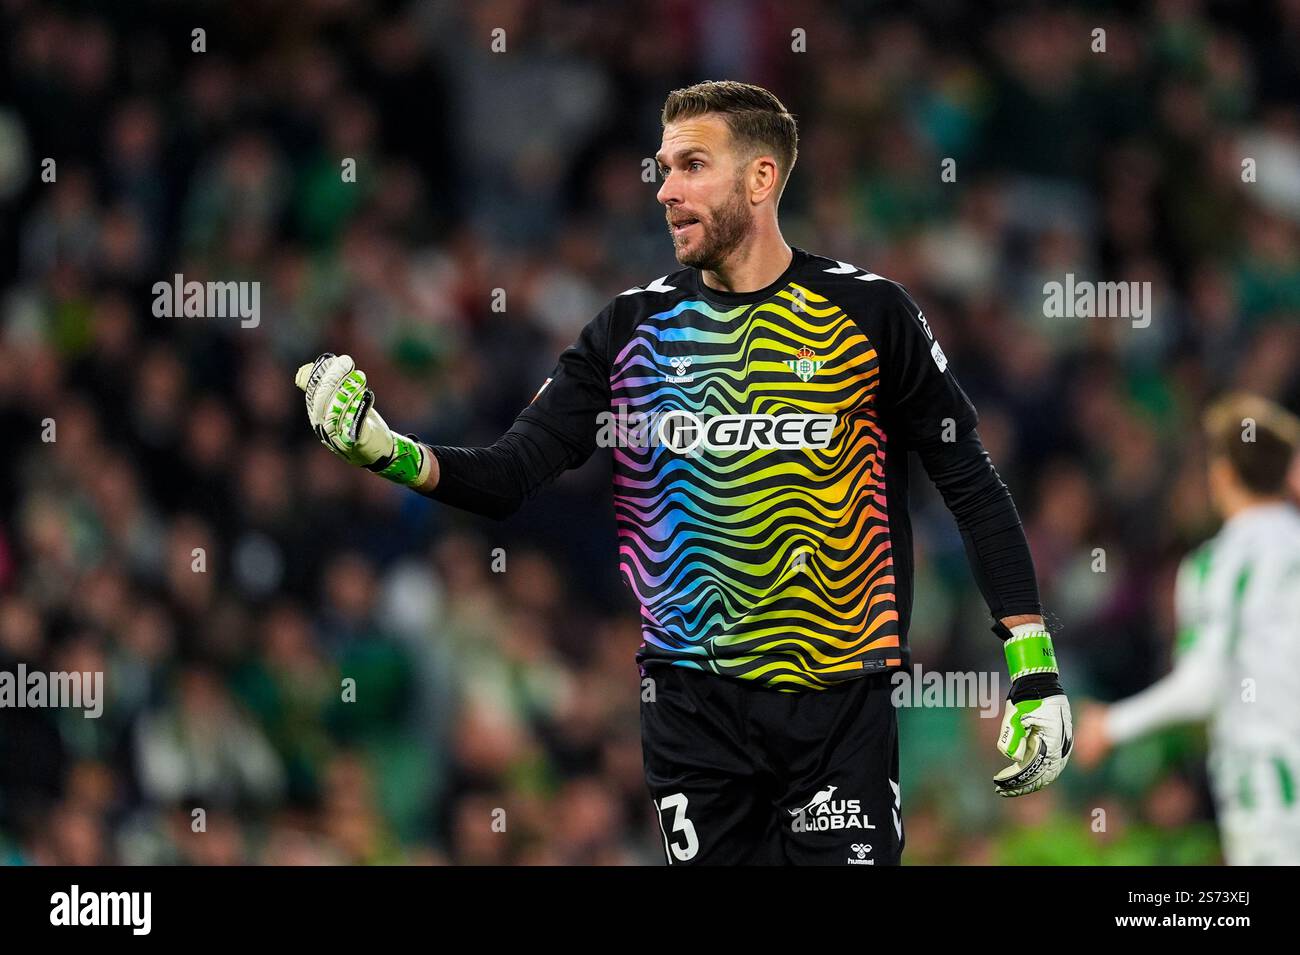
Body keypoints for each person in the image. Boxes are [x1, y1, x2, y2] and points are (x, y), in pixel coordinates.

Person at [296, 80, 1071, 865]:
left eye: (692, 165)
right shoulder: (628, 332)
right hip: (692, 715)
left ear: (762, 178)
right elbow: (507, 473)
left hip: (839, 711)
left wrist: (1032, 666)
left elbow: (971, 484)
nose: (665, 189)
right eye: (663, 168)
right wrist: (387, 450)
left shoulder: (869, 315)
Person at [1076, 394, 1300, 865]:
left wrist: (1111, 726)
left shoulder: (1212, 566)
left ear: (1220, 474)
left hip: (1270, 786)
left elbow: (1204, 684)